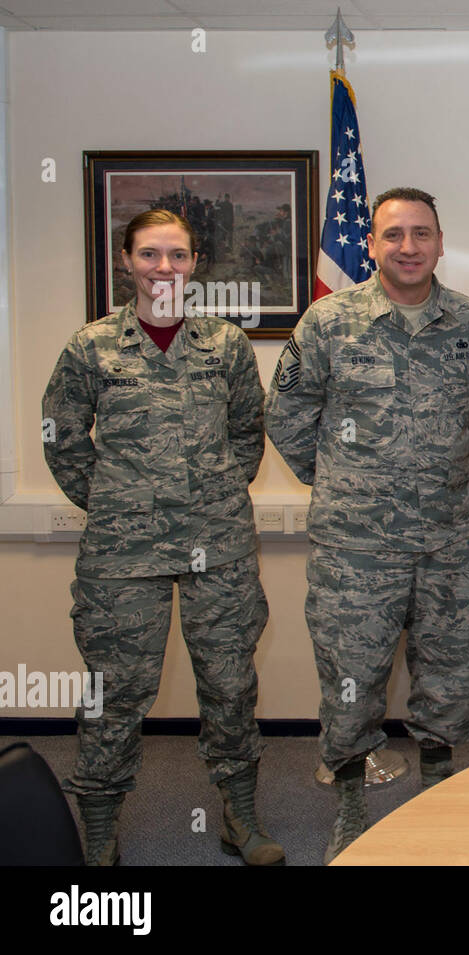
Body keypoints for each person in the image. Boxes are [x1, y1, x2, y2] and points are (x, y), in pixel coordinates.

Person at [265, 187, 469, 863]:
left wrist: (431, 477)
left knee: (448, 680)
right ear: (370, 244)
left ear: (440, 242)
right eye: (393, 234)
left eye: (421, 233)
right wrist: (348, 485)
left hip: (448, 540)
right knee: (350, 680)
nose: (408, 246)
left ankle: (438, 798)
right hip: (354, 549)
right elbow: (287, 419)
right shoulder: (328, 322)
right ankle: (349, 809)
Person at [42, 209, 279, 865]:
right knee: (114, 694)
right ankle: (98, 828)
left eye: (176, 255)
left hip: (220, 547)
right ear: (126, 261)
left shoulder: (226, 345)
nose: (163, 268)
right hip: (123, 555)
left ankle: (241, 816)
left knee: (231, 688)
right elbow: (60, 437)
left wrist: (213, 495)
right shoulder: (90, 347)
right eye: (149, 254)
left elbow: (246, 434)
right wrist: (114, 502)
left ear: (195, 263)